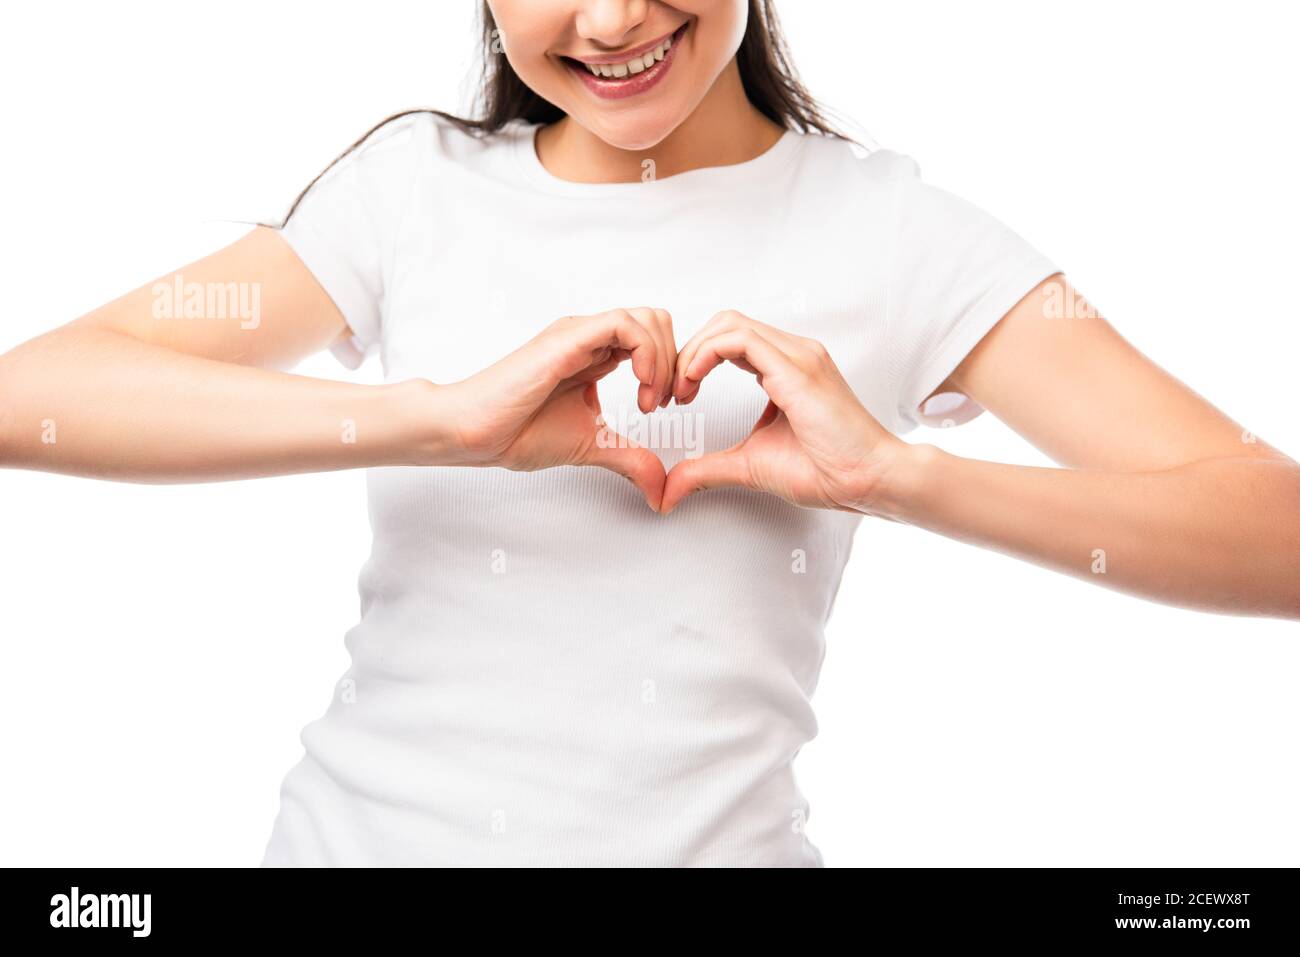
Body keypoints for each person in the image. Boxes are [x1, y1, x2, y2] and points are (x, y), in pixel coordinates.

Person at [2, 1, 1296, 867]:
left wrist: (901, 476)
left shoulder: (896, 233)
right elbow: (33, 394)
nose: (614, 19)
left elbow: (1276, 532)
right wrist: (436, 418)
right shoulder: (411, 192)